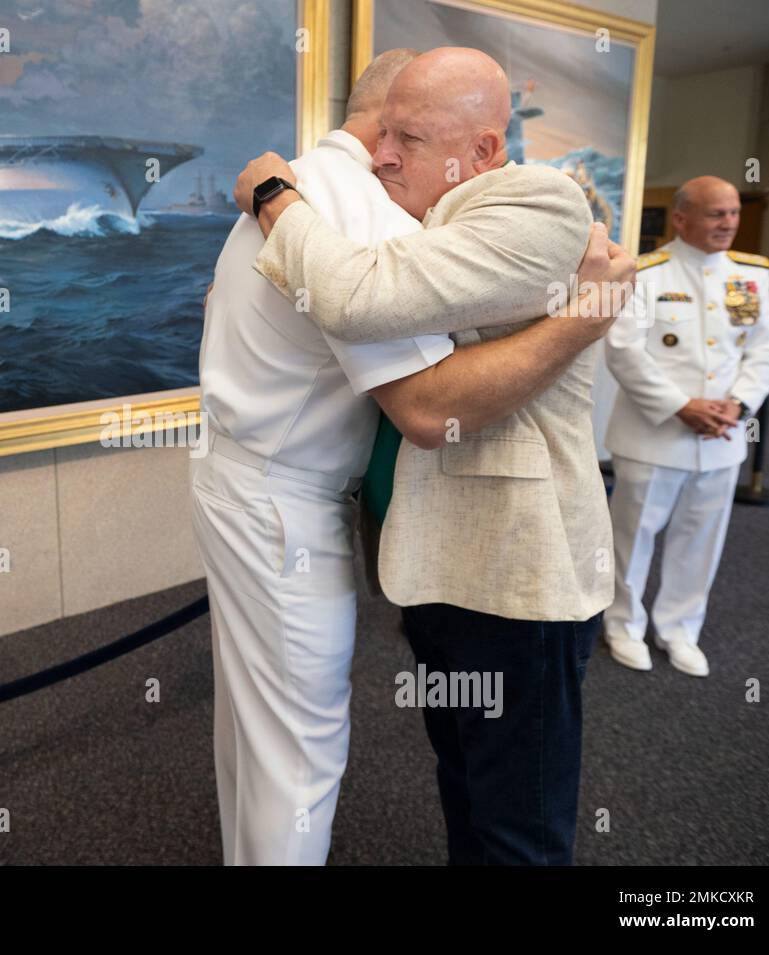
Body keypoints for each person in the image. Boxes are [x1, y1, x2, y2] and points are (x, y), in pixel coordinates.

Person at [197, 49, 632, 865]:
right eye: (383, 131)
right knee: (463, 778)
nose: (381, 155)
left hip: (518, 570)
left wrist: (271, 194)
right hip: (441, 565)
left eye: (410, 136)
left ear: (485, 150)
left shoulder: (533, 201)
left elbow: (376, 320)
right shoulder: (415, 213)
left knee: (519, 823)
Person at [602, 175, 769, 676]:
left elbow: (763, 346)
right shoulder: (646, 272)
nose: (728, 223)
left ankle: (681, 629)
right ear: (681, 218)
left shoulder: (749, 276)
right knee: (633, 536)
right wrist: (681, 405)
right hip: (653, 434)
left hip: (721, 437)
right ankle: (623, 624)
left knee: (700, 540)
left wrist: (740, 404)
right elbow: (622, 350)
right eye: (715, 213)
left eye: (732, 213)